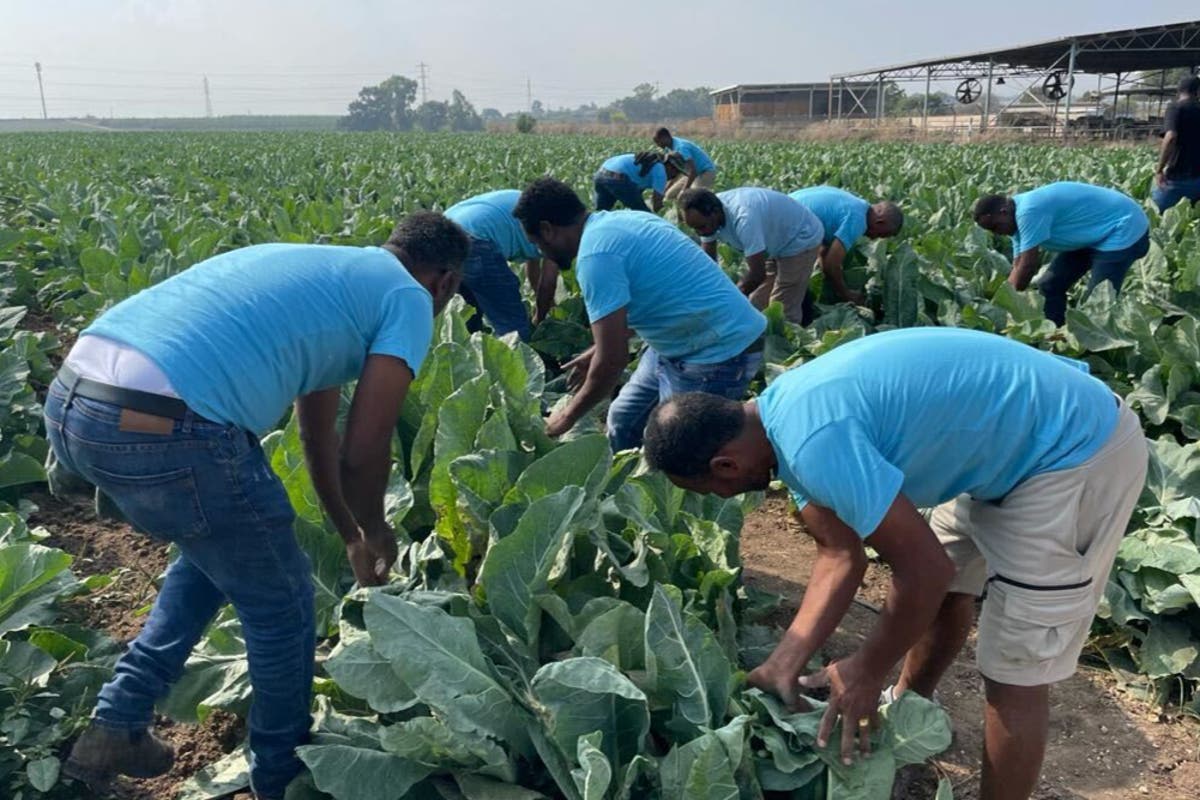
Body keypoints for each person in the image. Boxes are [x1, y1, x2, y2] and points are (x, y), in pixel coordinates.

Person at [46, 215, 469, 800]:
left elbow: (318, 438)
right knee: (282, 607)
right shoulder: (409, 298)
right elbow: (364, 449)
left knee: (212, 553)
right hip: (165, 426)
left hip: (78, 403)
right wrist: (378, 529)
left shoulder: (329, 275)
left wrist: (347, 532)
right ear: (445, 282)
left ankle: (116, 723)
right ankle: (279, 777)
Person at [642, 327, 1147, 800]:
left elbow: (924, 570)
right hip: (1005, 447)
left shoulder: (812, 439)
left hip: (1072, 451)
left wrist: (865, 668)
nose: (725, 497)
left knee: (1015, 668)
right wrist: (783, 662)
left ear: (724, 465)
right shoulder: (778, 422)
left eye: (713, 488)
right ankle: (911, 707)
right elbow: (840, 554)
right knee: (948, 581)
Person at [512, 177, 765, 451]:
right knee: (623, 419)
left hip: (719, 352)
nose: (540, 252)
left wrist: (567, 416)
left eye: (536, 243)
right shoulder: (622, 220)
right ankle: (621, 489)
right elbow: (658, 299)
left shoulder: (596, 256)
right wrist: (599, 349)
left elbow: (612, 362)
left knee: (678, 449)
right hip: (680, 341)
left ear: (547, 229)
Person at [973, 182, 1150, 326]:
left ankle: (1090, 354)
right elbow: (1018, 264)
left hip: (1123, 225)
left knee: (1098, 303)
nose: (997, 233)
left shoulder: (1028, 212)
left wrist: (1002, 311)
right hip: (1091, 234)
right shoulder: (1013, 218)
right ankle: (1054, 333)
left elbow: (1028, 266)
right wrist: (1001, 302)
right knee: (1049, 284)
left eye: (995, 227)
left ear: (1003, 212)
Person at [680, 186, 824, 324]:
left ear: (716, 212)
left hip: (800, 236)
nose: (699, 233)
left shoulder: (744, 218)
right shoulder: (706, 218)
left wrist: (731, 300)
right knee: (756, 303)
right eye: (694, 229)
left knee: (782, 310)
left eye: (701, 227)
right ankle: (803, 305)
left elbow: (757, 274)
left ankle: (791, 343)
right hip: (774, 241)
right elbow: (709, 262)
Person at [445, 189, 560, 340]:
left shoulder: (531, 207)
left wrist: (546, 309)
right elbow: (548, 283)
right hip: (476, 240)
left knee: (467, 313)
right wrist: (540, 318)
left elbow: (534, 270)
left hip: (443, 232)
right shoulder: (558, 227)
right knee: (513, 328)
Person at [789, 186, 903, 306]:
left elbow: (824, 252)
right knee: (793, 292)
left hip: (779, 212)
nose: (874, 238)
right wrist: (846, 294)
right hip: (789, 226)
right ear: (880, 222)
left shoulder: (856, 205)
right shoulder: (857, 220)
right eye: (881, 234)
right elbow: (831, 265)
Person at [1152, 74, 1200, 213]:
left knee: (1153, 216)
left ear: (1179, 91)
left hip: (1178, 178)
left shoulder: (1175, 108)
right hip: (1198, 177)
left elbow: (1171, 137)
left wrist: (1160, 169)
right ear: (1197, 91)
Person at [593, 151, 673, 213]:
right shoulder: (661, 170)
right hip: (617, 178)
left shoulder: (649, 162)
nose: (674, 176)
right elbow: (657, 201)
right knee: (644, 214)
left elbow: (636, 192)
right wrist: (662, 217)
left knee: (601, 212)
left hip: (600, 174)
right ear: (670, 166)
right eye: (676, 172)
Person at [653, 126, 717, 201]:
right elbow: (675, 173)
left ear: (665, 138)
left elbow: (693, 172)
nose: (658, 145)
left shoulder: (681, 148)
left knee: (694, 198)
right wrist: (664, 190)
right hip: (689, 174)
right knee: (669, 195)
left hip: (705, 172)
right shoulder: (668, 149)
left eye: (658, 142)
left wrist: (684, 191)